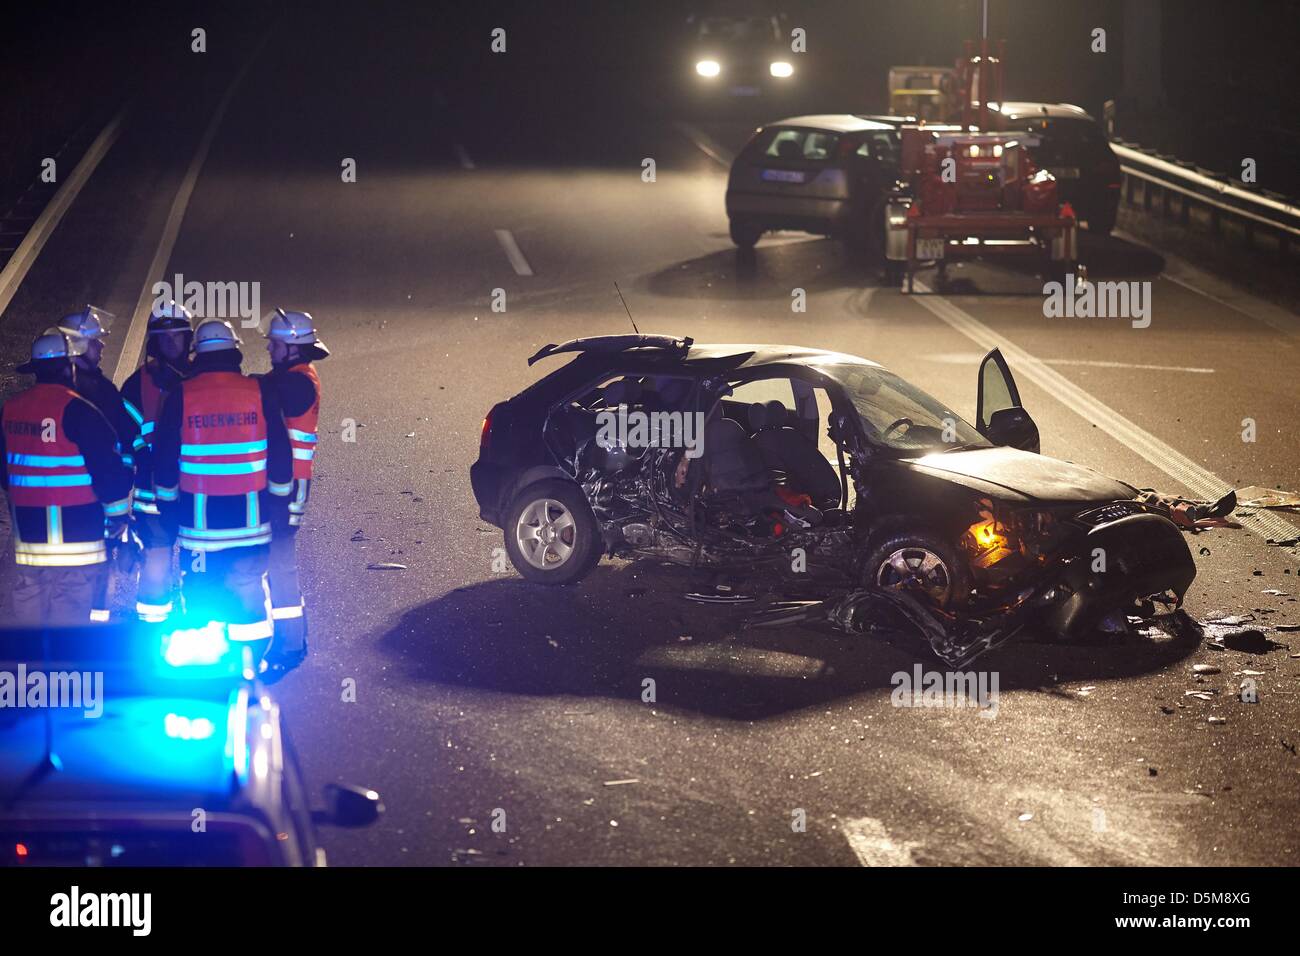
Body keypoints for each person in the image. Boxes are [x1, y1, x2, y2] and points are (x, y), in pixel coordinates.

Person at [152, 320, 292, 663]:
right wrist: (280, 503)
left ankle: (207, 671)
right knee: (248, 596)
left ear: (197, 355)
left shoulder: (180, 396)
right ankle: (252, 662)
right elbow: (281, 456)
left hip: (199, 533)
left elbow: (165, 461)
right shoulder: (259, 392)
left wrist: (168, 511)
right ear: (235, 352)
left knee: (202, 599)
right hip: (252, 527)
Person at [0, 330, 132, 624]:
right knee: (69, 606)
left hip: (30, 534)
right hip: (77, 535)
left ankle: (30, 665)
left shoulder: (10, 409)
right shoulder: (80, 410)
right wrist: (117, 519)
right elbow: (108, 472)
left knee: (30, 600)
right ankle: (62, 667)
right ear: (69, 366)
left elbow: (4, 470)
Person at [58, 306, 140, 621]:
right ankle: (91, 633)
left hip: (50, 509)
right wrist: (120, 512)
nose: (102, 346)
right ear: (78, 345)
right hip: (96, 502)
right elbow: (117, 447)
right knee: (97, 571)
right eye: (95, 341)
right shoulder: (99, 392)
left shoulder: (49, 390)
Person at [258, 309, 328, 676]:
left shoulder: (297, 382)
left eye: (275, 344)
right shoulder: (291, 376)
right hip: (286, 484)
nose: (269, 348)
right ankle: (287, 639)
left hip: (289, 487)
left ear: (292, 348)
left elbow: (260, 391)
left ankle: (290, 644)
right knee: (275, 562)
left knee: (280, 564)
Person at [120, 301, 194, 622]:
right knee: (156, 560)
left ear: (189, 339)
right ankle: (151, 627)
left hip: (195, 489)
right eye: (164, 337)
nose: (170, 343)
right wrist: (147, 457)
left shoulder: (202, 379)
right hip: (153, 495)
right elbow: (127, 434)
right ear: (153, 342)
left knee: (199, 563)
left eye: (177, 336)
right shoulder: (136, 384)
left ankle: (200, 626)